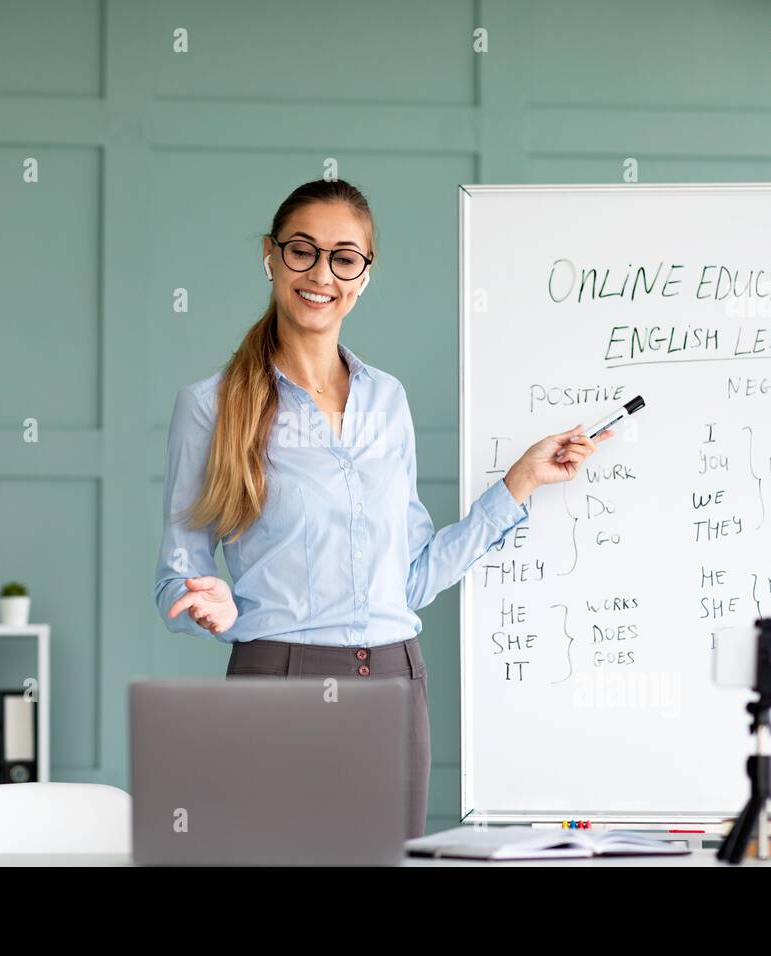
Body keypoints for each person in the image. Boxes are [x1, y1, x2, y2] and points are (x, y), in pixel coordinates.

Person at [151, 178, 611, 839]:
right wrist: (212, 608)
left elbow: (414, 578)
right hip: (278, 679)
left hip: (396, 681)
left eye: (345, 258)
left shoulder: (387, 400)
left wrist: (519, 483)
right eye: (302, 250)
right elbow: (175, 577)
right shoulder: (210, 406)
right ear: (271, 256)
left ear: (364, 276)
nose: (321, 273)